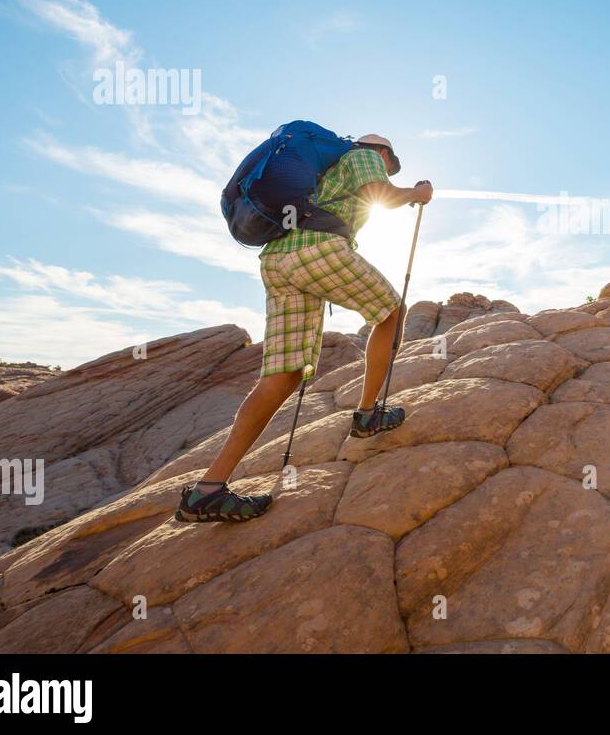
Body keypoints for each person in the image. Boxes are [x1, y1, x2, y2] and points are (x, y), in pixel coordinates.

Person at [175, 133, 432, 522]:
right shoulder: (363, 156)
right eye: (390, 162)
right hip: (317, 248)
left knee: (284, 372)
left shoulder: (324, 172)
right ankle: (366, 416)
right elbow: (382, 193)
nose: (388, 167)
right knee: (392, 312)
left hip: (278, 259)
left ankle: (207, 490)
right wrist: (416, 193)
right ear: (382, 153)